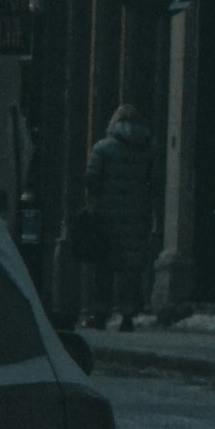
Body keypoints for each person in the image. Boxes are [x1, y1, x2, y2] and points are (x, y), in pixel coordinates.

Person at [82, 101, 162, 327]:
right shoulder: (148, 149)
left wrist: (96, 202)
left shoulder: (102, 149)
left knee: (104, 266)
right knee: (131, 268)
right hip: (137, 216)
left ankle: (100, 312)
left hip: (107, 217)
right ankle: (128, 314)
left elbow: (91, 179)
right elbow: (154, 184)